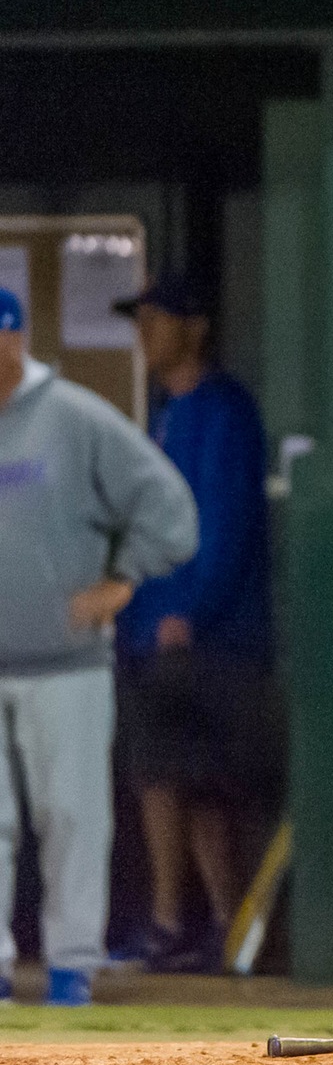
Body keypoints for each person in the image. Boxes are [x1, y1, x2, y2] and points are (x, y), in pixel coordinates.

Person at [0, 286, 198, 1006]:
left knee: (73, 817)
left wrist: (123, 579)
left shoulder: (74, 418)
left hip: (68, 661)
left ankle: (70, 967)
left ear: (14, 339)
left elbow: (170, 510)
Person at [112, 275, 274, 974]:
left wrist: (193, 612)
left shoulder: (222, 409)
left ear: (195, 326)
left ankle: (202, 928)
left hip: (213, 640)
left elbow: (226, 522)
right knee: (168, 776)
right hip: (155, 629)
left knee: (202, 784)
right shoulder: (163, 414)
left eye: (158, 319)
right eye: (141, 320)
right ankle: (186, 927)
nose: (145, 332)